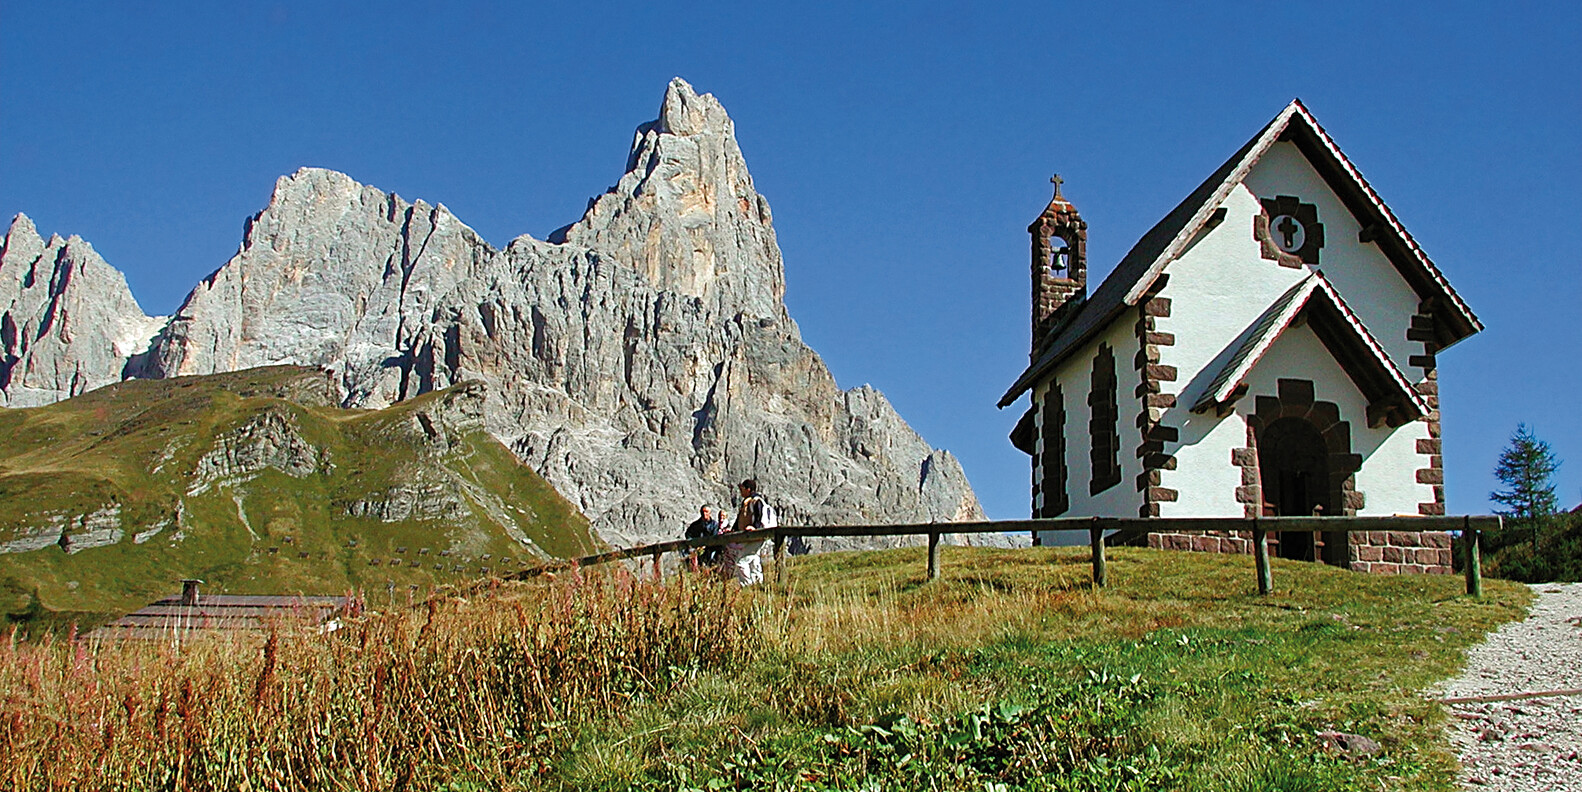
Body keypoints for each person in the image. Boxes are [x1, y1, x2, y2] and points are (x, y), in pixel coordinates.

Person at [723, 479, 768, 585]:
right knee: (754, 560)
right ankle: (758, 584)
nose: (741, 491)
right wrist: (733, 530)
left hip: (756, 535)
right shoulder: (747, 502)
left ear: (748, 489)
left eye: (742, 489)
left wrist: (755, 527)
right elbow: (741, 518)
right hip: (751, 536)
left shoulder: (756, 501)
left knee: (741, 562)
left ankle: (746, 585)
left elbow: (759, 516)